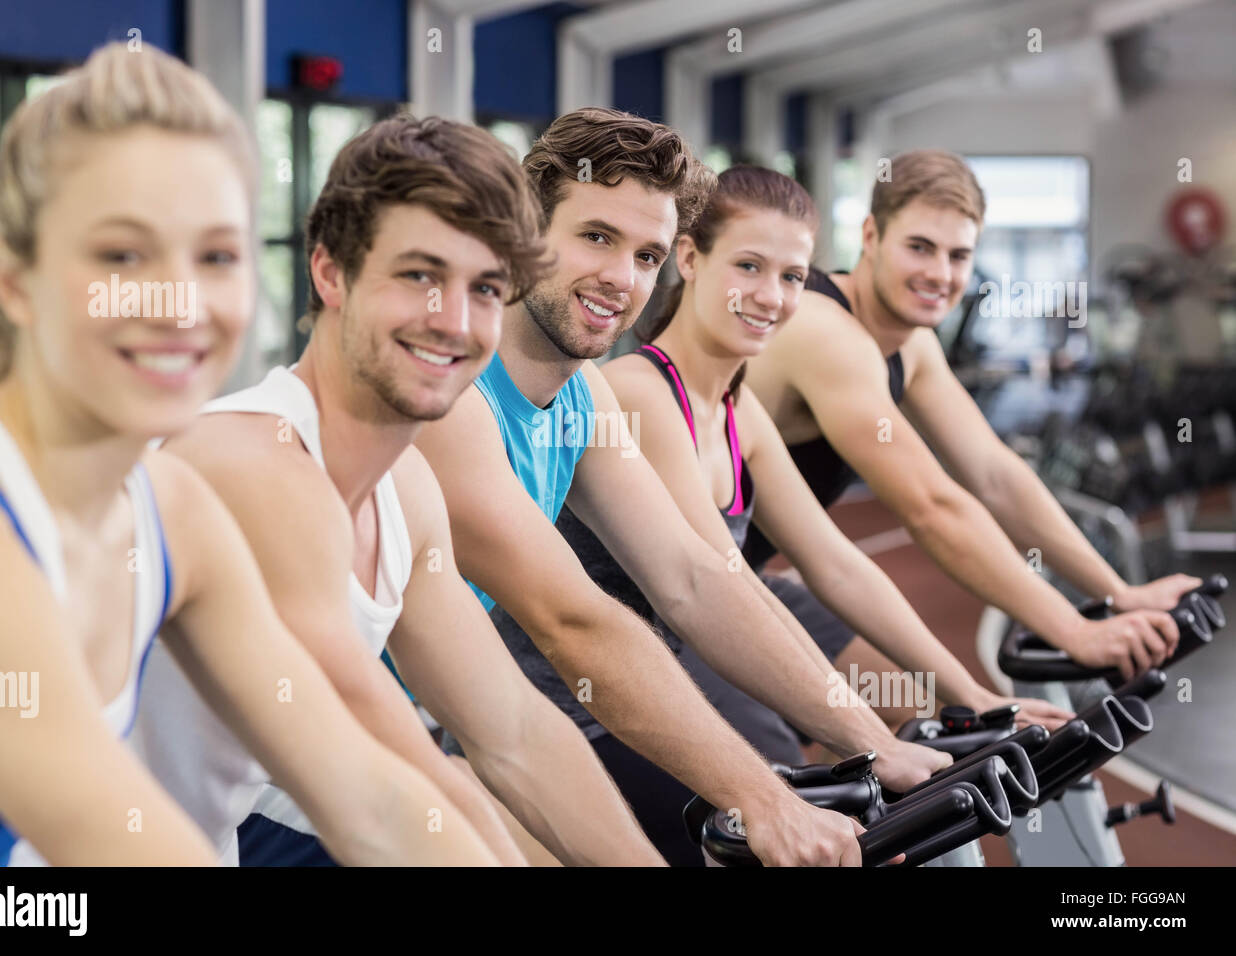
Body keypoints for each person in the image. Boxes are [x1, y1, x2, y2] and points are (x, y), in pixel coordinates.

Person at [0, 43, 497, 866]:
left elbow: (370, 802)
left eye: (217, 257)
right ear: (15, 280)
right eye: (121, 255)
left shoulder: (171, 508)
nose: (178, 302)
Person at [416, 107, 950, 867]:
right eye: (597, 237)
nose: (620, 278)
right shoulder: (456, 393)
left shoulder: (584, 399)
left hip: (459, 736)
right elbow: (573, 624)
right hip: (325, 771)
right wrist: (762, 801)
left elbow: (696, 579)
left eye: (645, 255)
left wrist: (872, 743)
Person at [137, 114, 664, 867]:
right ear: (331, 273)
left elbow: (510, 728)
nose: (452, 321)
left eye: (484, 287)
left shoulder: (407, 488)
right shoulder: (253, 462)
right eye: (420, 276)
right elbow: (380, 793)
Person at [540, 164, 1069, 774]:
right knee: (797, 778)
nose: (772, 296)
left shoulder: (741, 406)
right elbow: (716, 586)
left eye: (792, 276)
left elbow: (836, 564)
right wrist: (871, 742)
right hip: (584, 712)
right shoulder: (640, 393)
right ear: (688, 258)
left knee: (911, 707)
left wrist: (975, 699)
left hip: (678, 645)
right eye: (748, 266)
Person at [744, 150, 1191, 680]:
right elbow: (932, 506)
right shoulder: (824, 331)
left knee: (906, 701)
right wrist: (1072, 630)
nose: (940, 273)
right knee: (808, 738)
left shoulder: (913, 345)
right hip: (657, 585)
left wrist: (1119, 594)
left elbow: (994, 474)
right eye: (920, 248)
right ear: (871, 236)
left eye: (958, 256)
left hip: (739, 574)